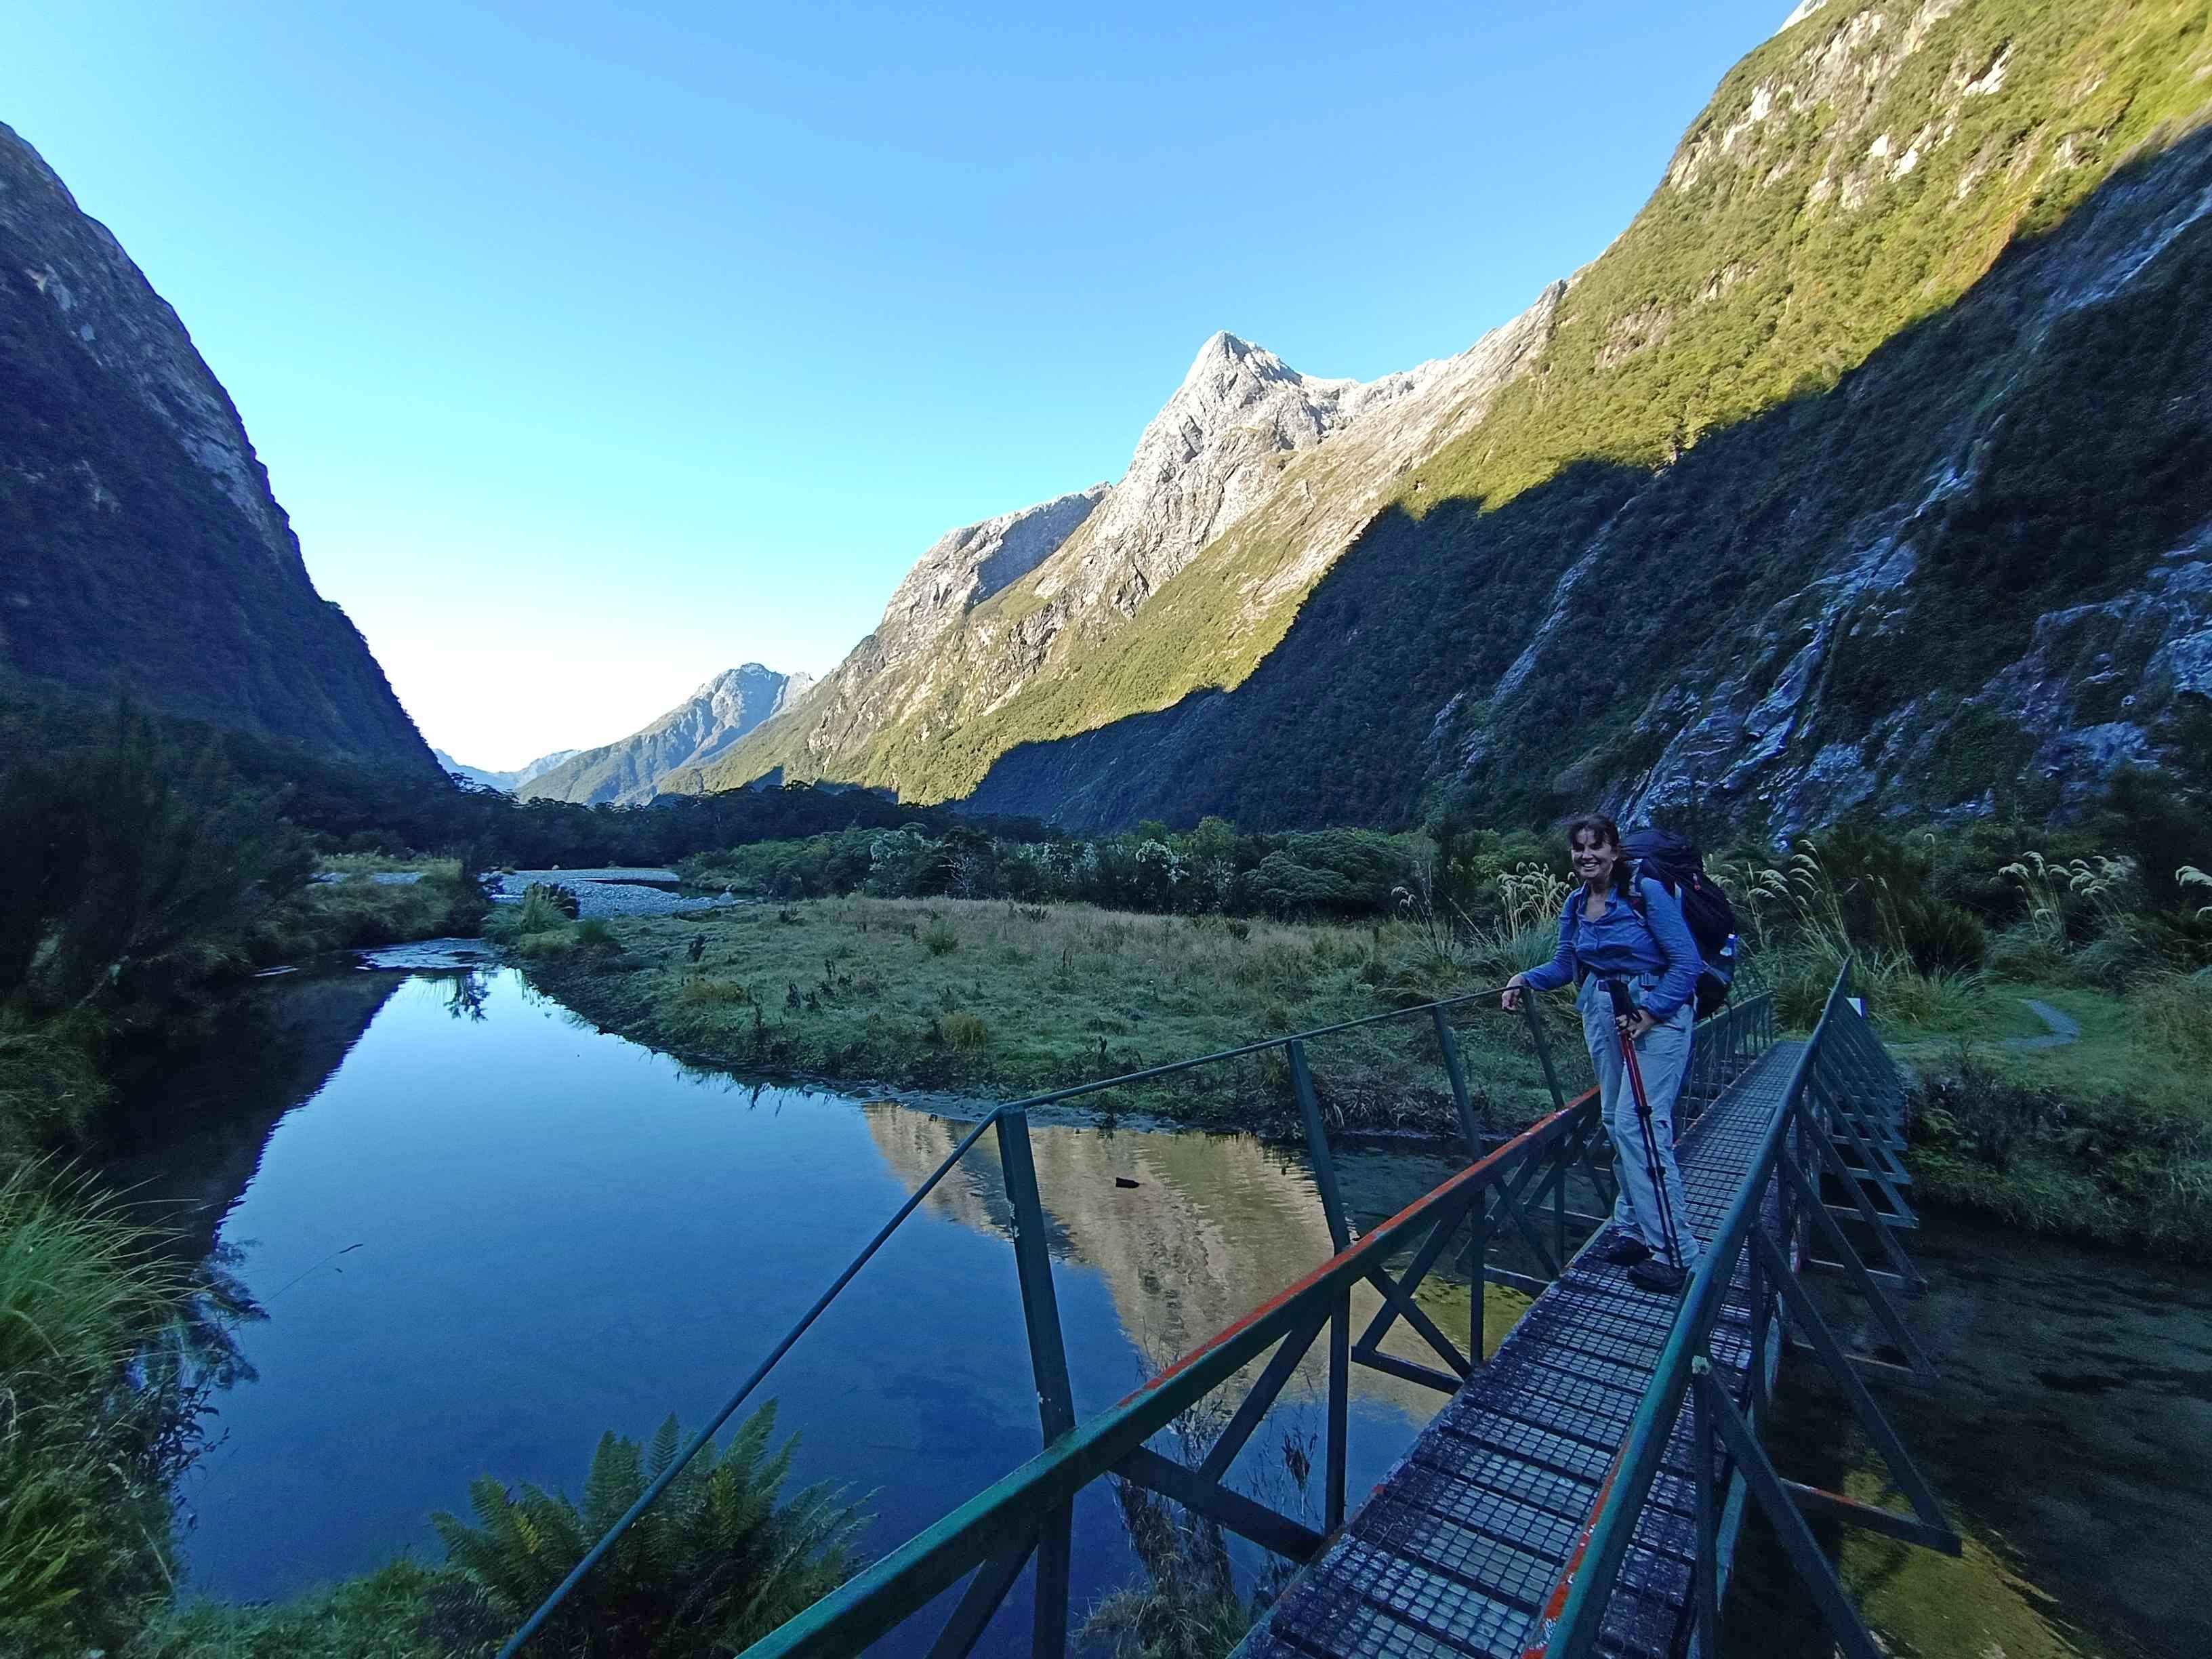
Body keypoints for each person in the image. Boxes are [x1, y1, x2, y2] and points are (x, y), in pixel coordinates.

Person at [1502, 813, 1704, 1293]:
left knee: (1642, 1125)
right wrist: (1523, 978)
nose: (1587, 855)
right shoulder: (1574, 904)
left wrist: (1650, 1013)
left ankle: (1676, 1252)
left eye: (1597, 847)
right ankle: (1634, 1228)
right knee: (1616, 1121)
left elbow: (1687, 963)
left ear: (1616, 851)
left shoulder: (1643, 895)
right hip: (1604, 1013)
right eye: (1579, 848)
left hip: (1656, 1016)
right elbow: (1565, 965)